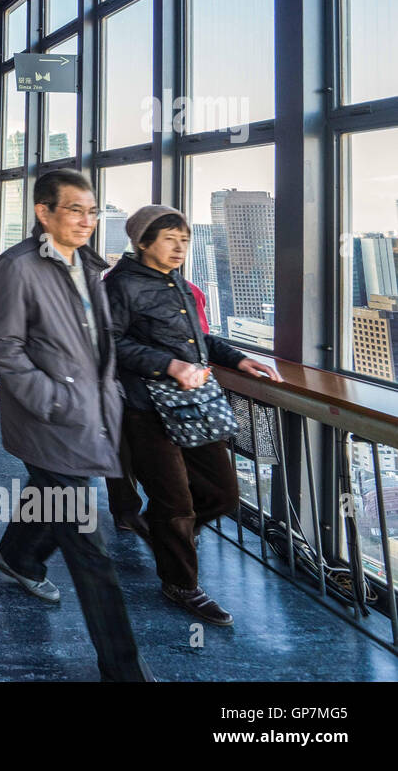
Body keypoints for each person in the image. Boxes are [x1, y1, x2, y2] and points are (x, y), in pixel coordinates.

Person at [0, 169, 152, 682]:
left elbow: (99, 345)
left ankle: (18, 557)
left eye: (93, 210)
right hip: (49, 425)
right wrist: (53, 400)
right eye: (75, 209)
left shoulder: (91, 265)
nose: (87, 220)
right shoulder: (18, 268)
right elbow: (1, 348)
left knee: (50, 501)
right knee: (91, 551)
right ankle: (125, 670)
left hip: (85, 418)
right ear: (43, 212)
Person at [104, 204, 282, 627]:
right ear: (142, 242)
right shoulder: (120, 286)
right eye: (169, 239)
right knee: (175, 502)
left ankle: (163, 531)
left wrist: (239, 360)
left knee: (223, 494)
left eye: (184, 239)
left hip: (192, 406)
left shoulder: (175, 280)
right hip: (146, 409)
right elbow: (107, 344)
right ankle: (181, 584)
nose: (180, 246)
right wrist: (167, 365)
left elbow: (197, 338)